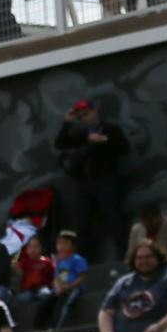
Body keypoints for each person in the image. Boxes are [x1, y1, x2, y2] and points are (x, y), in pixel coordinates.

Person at [54, 100, 132, 260]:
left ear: (95, 111)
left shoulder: (110, 129)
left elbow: (124, 149)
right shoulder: (81, 134)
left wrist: (104, 141)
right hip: (84, 182)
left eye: (87, 114)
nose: (85, 118)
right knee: (83, 223)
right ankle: (86, 259)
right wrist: (67, 122)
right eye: (81, 116)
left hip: (106, 180)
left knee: (113, 218)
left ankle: (124, 255)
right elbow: (60, 143)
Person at [11, 233, 55, 332]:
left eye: (36, 246)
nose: (33, 249)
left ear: (41, 248)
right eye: (30, 247)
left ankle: (46, 321)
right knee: (17, 300)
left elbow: (52, 275)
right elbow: (20, 273)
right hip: (28, 291)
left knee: (46, 295)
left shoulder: (46, 261)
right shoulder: (25, 262)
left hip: (42, 288)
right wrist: (15, 267)